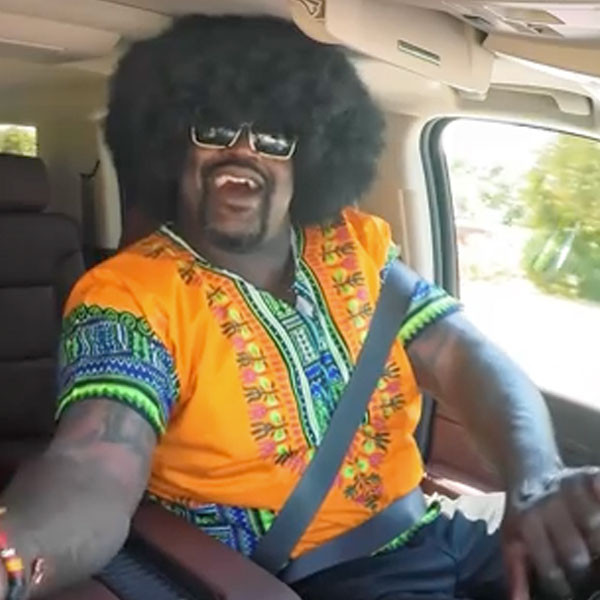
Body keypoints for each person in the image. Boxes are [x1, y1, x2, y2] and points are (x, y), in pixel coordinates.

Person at [1, 15, 599, 600]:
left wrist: (535, 476)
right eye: (214, 131)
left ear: (310, 155)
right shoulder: (127, 293)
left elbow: (462, 354)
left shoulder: (358, 244)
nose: (242, 153)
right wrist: (11, 557)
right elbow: (93, 468)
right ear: (170, 146)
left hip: (438, 533)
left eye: (273, 139)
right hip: (318, 577)